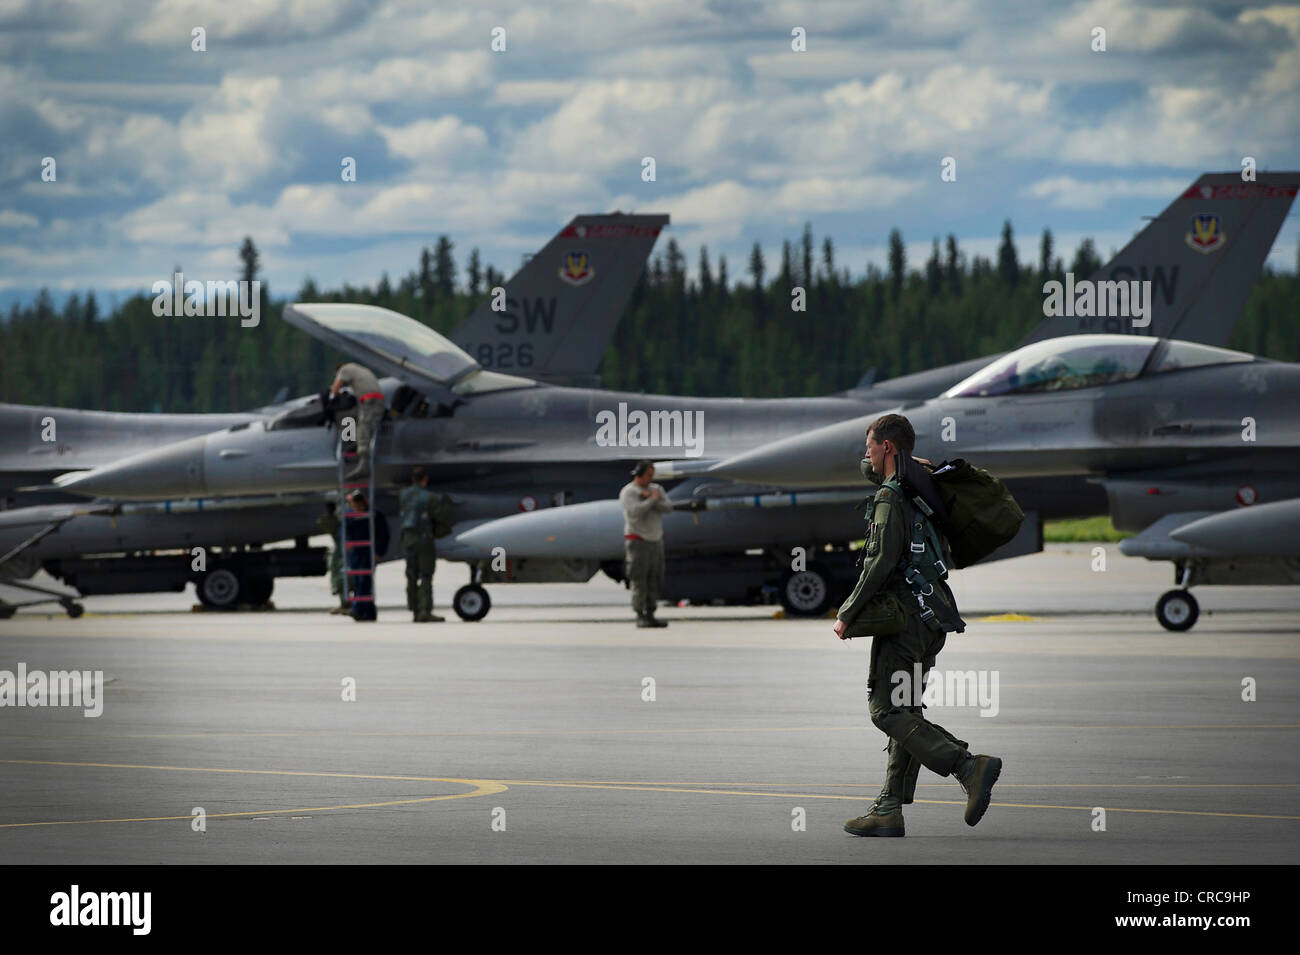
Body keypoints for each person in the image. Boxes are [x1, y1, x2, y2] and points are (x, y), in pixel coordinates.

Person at [833, 413, 1002, 837]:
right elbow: (875, 467)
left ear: (886, 448)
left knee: (887, 710)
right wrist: (907, 461)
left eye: (870, 446)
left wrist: (847, 613)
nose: (865, 454)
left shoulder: (891, 497)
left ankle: (967, 765)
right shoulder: (921, 489)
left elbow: (880, 561)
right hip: (935, 616)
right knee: (905, 712)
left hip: (905, 621)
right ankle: (888, 809)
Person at [619, 460, 673, 628]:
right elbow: (635, 511)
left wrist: (652, 498)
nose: (651, 479)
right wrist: (651, 500)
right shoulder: (629, 492)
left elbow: (668, 507)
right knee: (639, 578)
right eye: (648, 475)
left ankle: (651, 613)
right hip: (638, 540)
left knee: (655, 578)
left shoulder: (655, 490)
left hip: (655, 540)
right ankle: (640, 614)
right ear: (639, 475)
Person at [399, 466, 452, 623]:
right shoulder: (430, 497)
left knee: (411, 576)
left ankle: (414, 610)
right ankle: (425, 611)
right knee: (426, 576)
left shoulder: (403, 495)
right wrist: (447, 504)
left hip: (408, 539)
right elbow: (440, 515)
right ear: (425, 479)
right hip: (423, 539)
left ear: (411, 479)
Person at [330, 362, 385, 478]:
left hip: (369, 401)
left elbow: (334, 390)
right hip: (378, 400)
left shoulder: (344, 369)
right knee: (362, 422)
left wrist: (337, 397)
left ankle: (363, 466)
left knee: (363, 428)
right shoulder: (362, 370)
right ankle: (355, 444)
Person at [314, 501, 348, 614]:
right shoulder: (337, 525)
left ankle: (349, 603)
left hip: (349, 551)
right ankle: (345, 603)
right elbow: (324, 523)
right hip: (341, 552)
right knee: (340, 578)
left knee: (348, 577)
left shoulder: (348, 523)